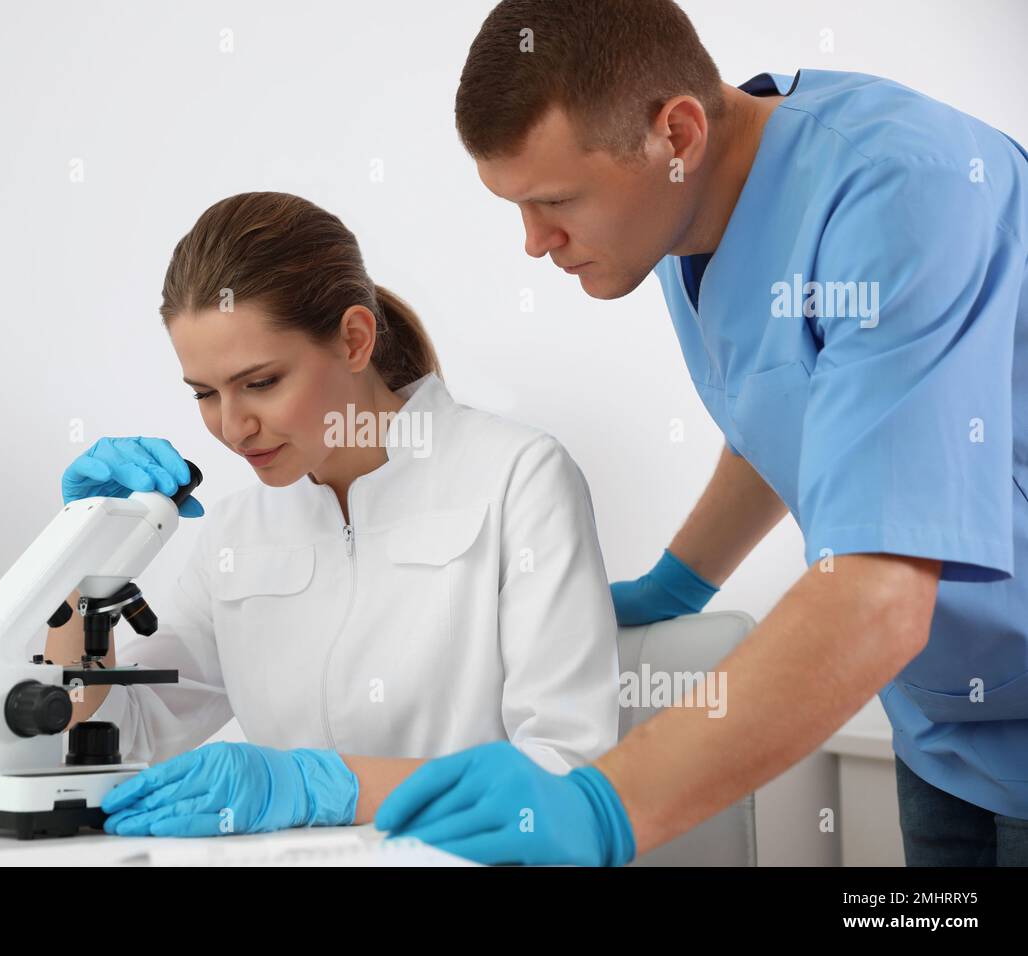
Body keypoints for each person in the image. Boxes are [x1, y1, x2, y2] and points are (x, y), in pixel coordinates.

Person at [376, 0, 1028, 867]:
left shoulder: (904, 192)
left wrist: (607, 809)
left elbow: (880, 593)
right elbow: (803, 410)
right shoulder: (685, 223)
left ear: (675, 135)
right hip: (941, 720)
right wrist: (676, 586)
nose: (535, 244)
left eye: (556, 201)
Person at [44, 190, 621, 839]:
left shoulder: (518, 477)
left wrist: (328, 786)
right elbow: (111, 735)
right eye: (206, 393)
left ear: (353, 339)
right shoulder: (239, 532)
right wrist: (85, 556)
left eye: (260, 382)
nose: (233, 428)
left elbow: (567, 770)